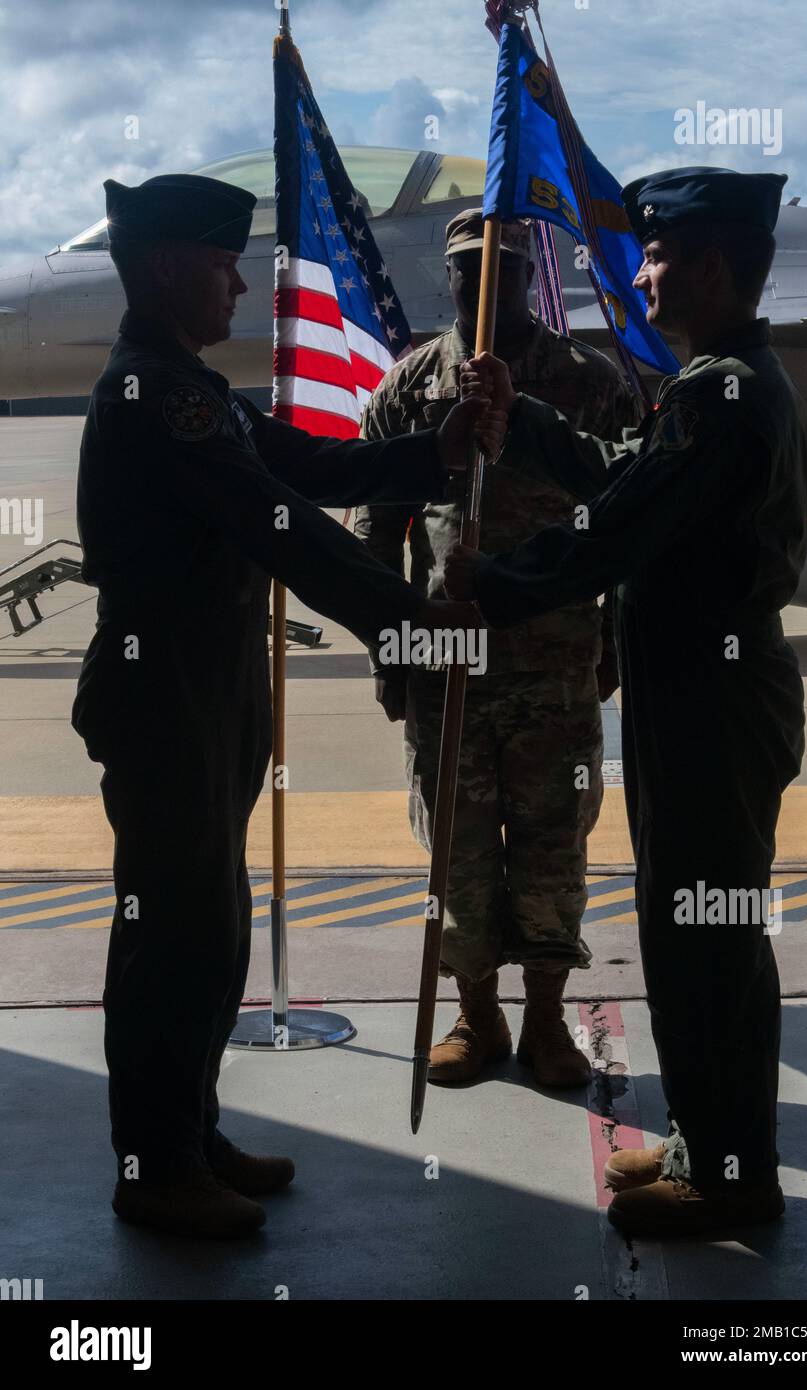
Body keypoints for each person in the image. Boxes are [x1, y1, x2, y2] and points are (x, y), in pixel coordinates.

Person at [72, 173, 496, 1240]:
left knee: (209, 933)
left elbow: (301, 463)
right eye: (223, 267)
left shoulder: (191, 389)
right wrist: (410, 624)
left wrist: (430, 451)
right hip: (168, 707)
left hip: (199, 704)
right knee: (178, 939)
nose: (239, 287)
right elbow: (283, 526)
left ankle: (188, 1134)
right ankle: (153, 1165)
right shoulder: (155, 397)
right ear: (171, 268)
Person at [446, 168, 807, 1238]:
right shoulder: (727, 380)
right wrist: (526, 423)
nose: (637, 274)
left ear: (707, 265)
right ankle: (707, 1142)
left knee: (707, 938)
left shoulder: (719, 391)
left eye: (654, 256)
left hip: (709, 704)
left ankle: (731, 1178)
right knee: (693, 926)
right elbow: (622, 476)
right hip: (701, 694)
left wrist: (493, 585)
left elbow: (612, 531)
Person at [354, 209, 635, 1090]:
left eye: (506, 268)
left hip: (556, 668)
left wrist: (613, 643)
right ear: (450, 276)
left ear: (530, 274)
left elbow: (631, 520)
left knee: (554, 851)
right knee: (459, 854)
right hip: (449, 675)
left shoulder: (587, 383)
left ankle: (547, 1018)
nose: (488, 283)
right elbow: (377, 530)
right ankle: (477, 1018)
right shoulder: (411, 386)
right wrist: (390, 650)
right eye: (471, 267)